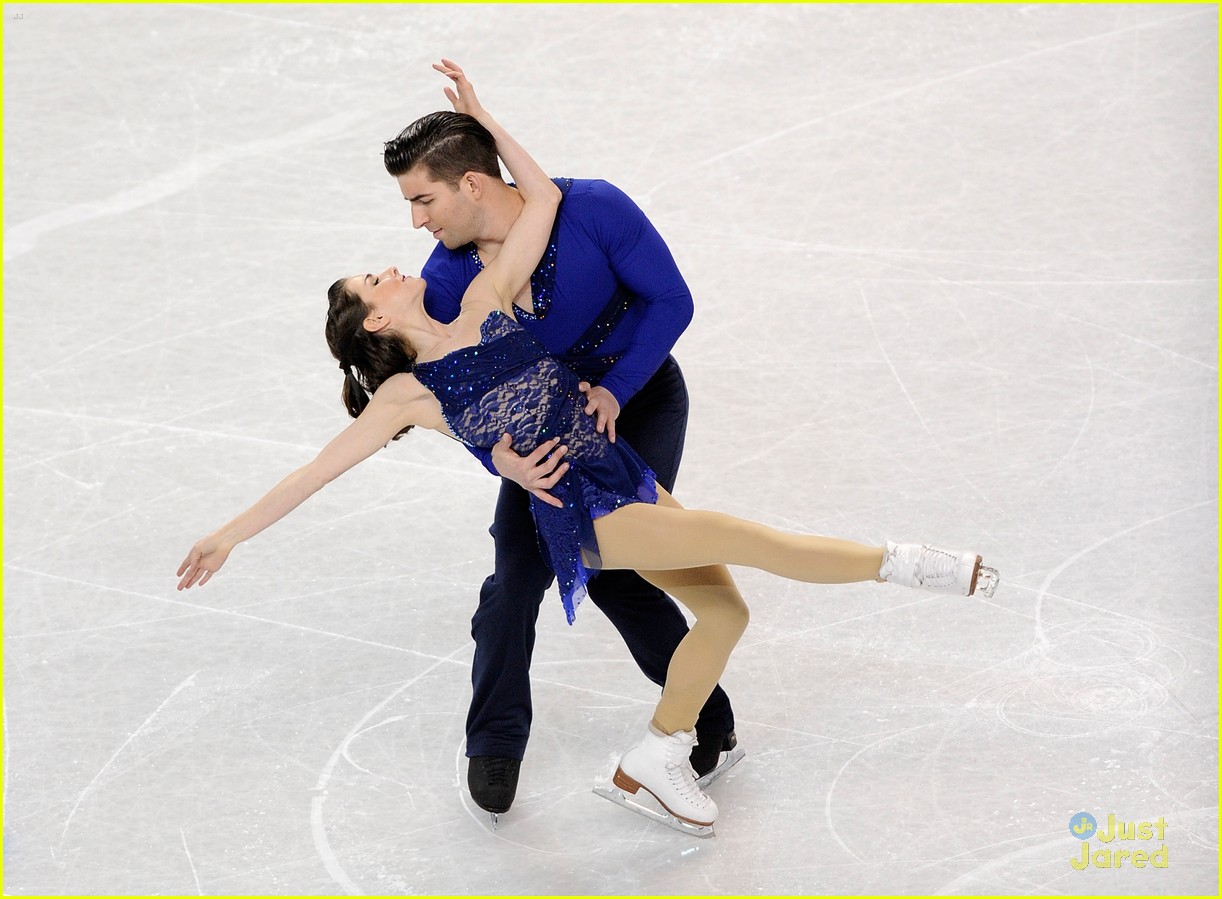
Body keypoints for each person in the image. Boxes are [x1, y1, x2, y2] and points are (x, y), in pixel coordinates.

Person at [178, 61, 998, 831]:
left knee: (726, 608)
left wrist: (482, 118)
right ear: (380, 317)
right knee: (742, 541)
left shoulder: (484, 301)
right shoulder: (408, 390)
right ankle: (901, 563)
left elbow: (541, 200)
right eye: (374, 278)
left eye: (422, 204)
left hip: (618, 460)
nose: (400, 249)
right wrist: (226, 535)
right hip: (578, 503)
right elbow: (315, 473)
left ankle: (658, 754)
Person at [381, 73, 739, 813]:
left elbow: (671, 300)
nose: (416, 221)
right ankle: (494, 741)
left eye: (424, 199)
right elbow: (458, 393)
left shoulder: (593, 207)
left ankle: (705, 720)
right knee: (515, 577)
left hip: (639, 401)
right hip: (537, 435)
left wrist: (616, 389)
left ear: (471, 183)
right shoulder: (445, 279)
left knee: (619, 570)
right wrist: (500, 459)